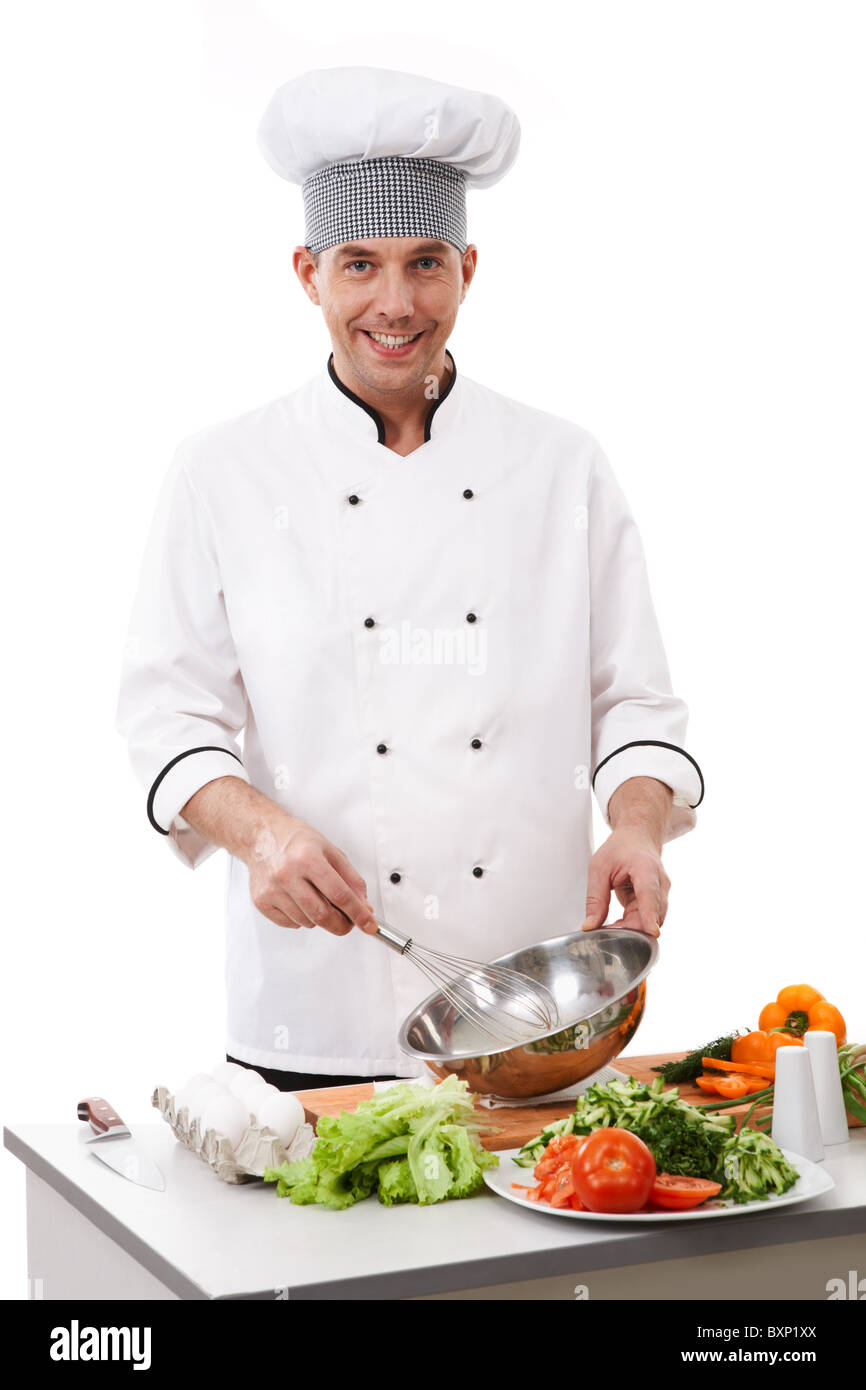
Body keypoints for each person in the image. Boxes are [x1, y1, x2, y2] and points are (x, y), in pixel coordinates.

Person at [116, 67, 704, 1094]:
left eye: (424, 263)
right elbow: (165, 713)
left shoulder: (561, 464)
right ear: (307, 274)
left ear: (468, 268)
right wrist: (258, 833)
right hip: (314, 1008)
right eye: (359, 265)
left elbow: (637, 699)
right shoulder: (223, 470)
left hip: (532, 1005)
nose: (394, 305)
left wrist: (634, 825)